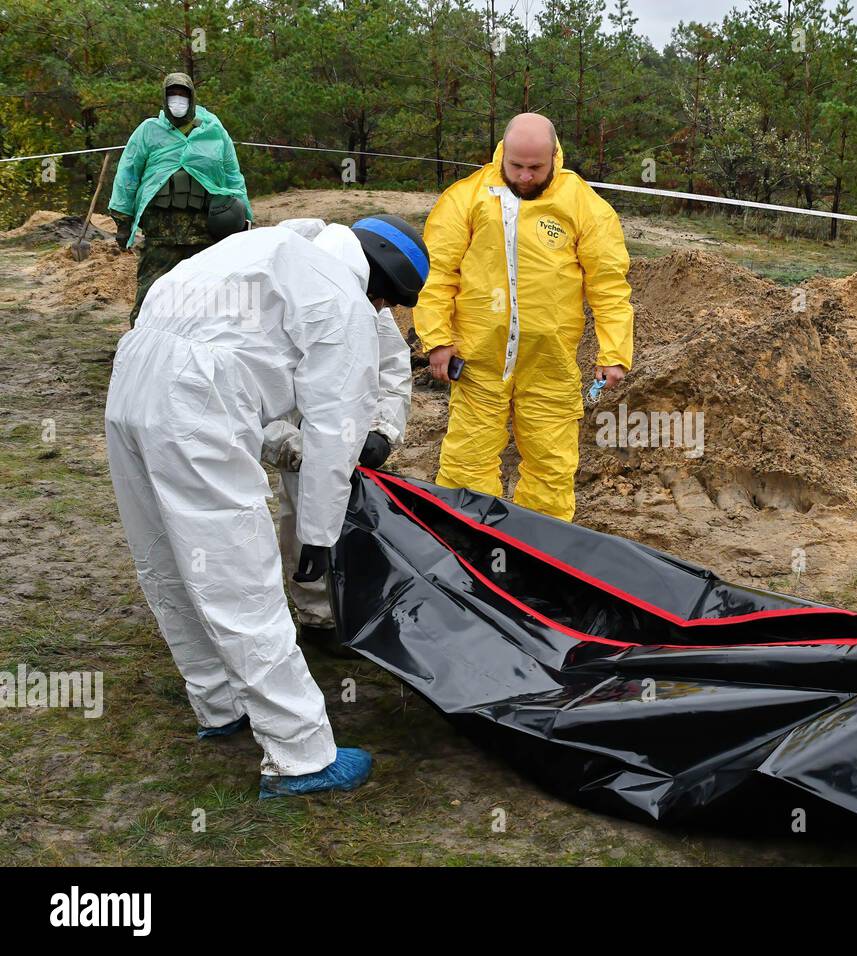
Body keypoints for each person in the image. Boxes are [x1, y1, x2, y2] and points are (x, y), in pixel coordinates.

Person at [105, 214, 427, 798]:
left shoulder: (264, 246)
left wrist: (279, 441)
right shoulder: (342, 297)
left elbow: (232, 362)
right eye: (385, 300)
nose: (381, 309)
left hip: (131, 381)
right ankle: (300, 754)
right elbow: (334, 429)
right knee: (241, 581)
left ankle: (218, 701)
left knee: (167, 559)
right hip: (195, 408)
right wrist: (319, 535)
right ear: (380, 279)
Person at [414, 112, 634, 522]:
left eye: (536, 167)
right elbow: (438, 272)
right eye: (516, 166)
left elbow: (608, 285)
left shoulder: (583, 205)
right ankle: (466, 539)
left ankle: (540, 547)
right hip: (478, 361)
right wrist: (438, 339)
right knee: (466, 463)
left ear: (554, 157)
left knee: (551, 468)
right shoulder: (467, 198)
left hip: (549, 364)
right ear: (502, 154)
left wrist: (614, 352)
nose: (526, 176)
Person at [260, 217, 422, 656]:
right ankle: (300, 619)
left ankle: (332, 614)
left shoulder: (359, 292)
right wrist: (296, 448)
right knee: (257, 515)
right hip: (257, 415)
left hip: (326, 416)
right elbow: (242, 402)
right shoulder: (277, 275)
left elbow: (392, 365)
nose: (381, 307)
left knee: (332, 500)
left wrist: (383, 429)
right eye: (383, 298)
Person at [108, 72, 252, 326]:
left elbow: (232, 175)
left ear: (192, 97)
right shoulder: (149, 131)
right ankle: (143, 343)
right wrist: (122, 220)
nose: (177, 100)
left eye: (182, 94)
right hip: (161, 235)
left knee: (207, 300)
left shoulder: (213, 131)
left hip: (205, 233)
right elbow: (128, 174)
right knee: (151, 297)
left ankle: (200, 345)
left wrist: (245, 217)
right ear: (164, 99)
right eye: (172, 95)